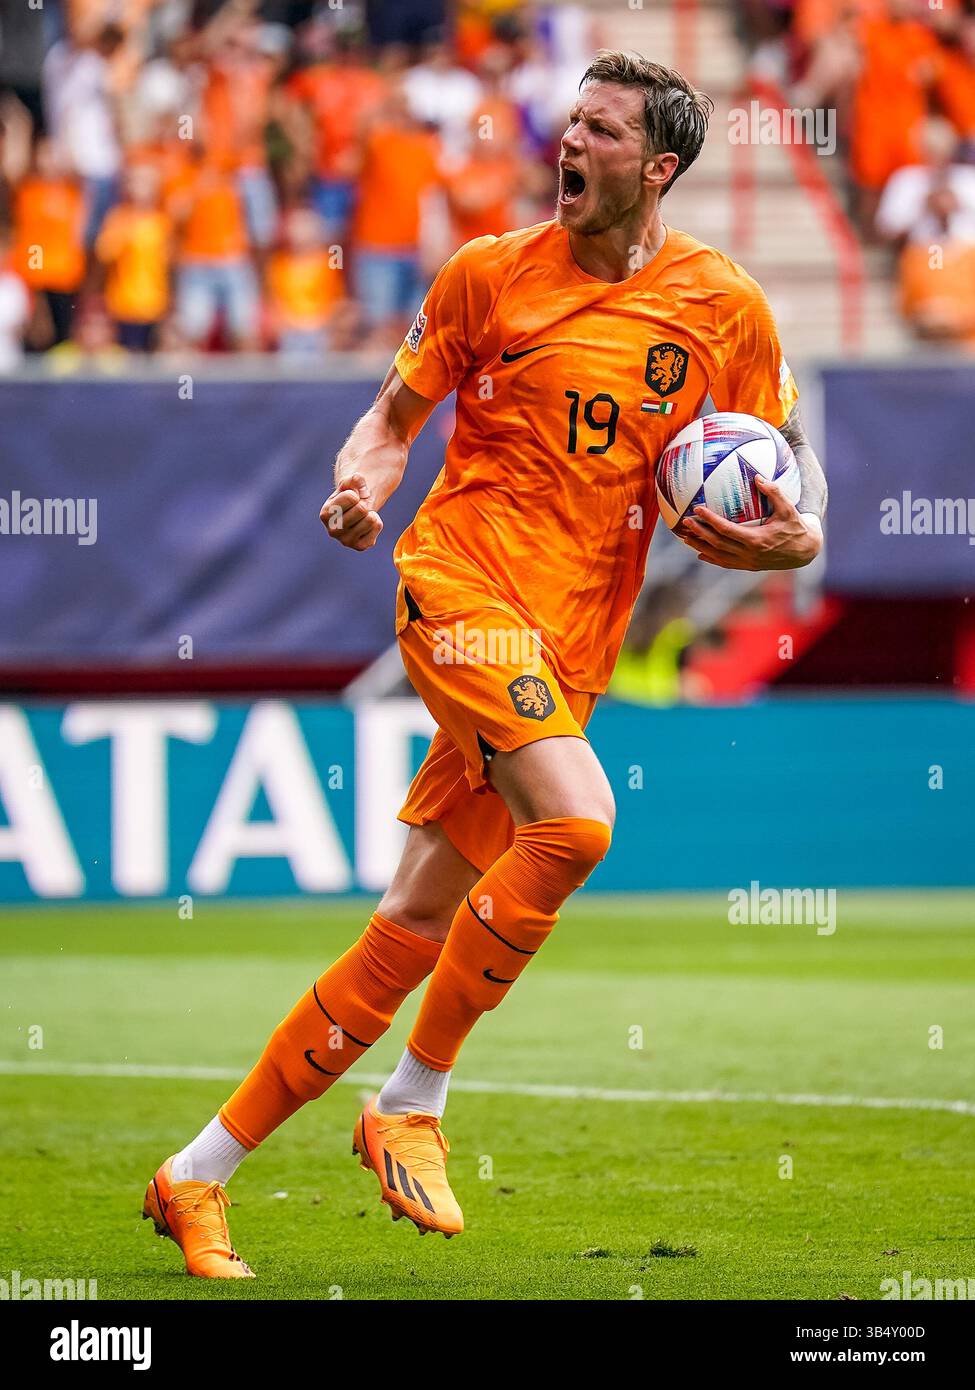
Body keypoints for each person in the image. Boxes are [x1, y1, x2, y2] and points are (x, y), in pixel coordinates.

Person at [143, 49, 827, 1278]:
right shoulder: (487, 276)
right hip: (458, 587)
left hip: (571, 644)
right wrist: (359, 485)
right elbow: (391, 420)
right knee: (575, 826)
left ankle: (196, 1174)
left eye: (603, 130)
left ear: (657, 168)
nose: (571, 141)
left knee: (410, 923)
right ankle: (414, 1100)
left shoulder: (722, 307)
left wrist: (794, 537)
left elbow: (791, 480)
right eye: (571, 121)